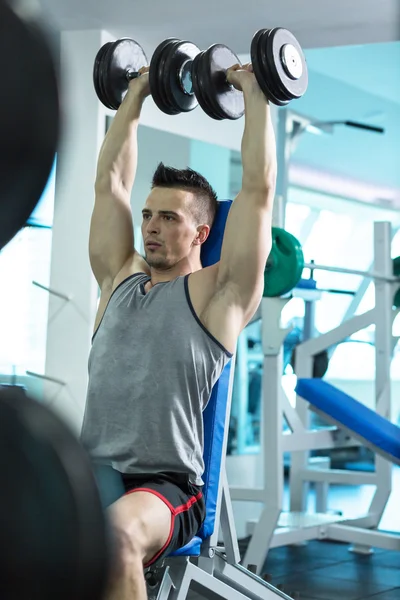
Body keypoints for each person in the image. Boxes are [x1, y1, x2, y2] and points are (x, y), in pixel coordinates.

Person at [81, 62, 277, 600]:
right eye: (148, 214)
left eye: (169, 217)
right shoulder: (117, 279)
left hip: (165, 487)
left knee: (117, 538)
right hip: (89, 473)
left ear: (202, 232)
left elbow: (258, 191)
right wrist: (137, 91)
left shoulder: (219, 297)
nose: (150, 226)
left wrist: (256, 95)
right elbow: (111, 182)